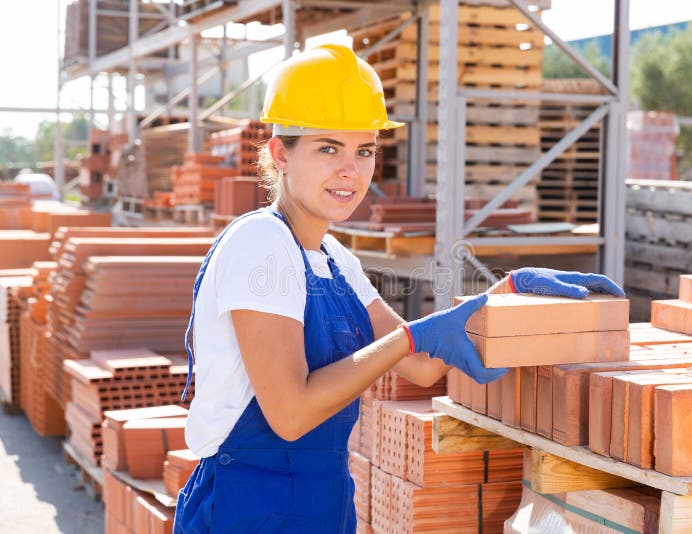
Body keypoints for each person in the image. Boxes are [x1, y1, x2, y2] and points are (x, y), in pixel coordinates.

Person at [173, 43, 624, 534]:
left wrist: (504, 294)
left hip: (322, 506)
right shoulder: (259, 244)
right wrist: (409, 339)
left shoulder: (336, 260)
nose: (352, 170)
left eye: (364, 150)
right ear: (281, 152)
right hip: (248, 508)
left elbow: (422, 364)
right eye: (329, 148)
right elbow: (290, 413)